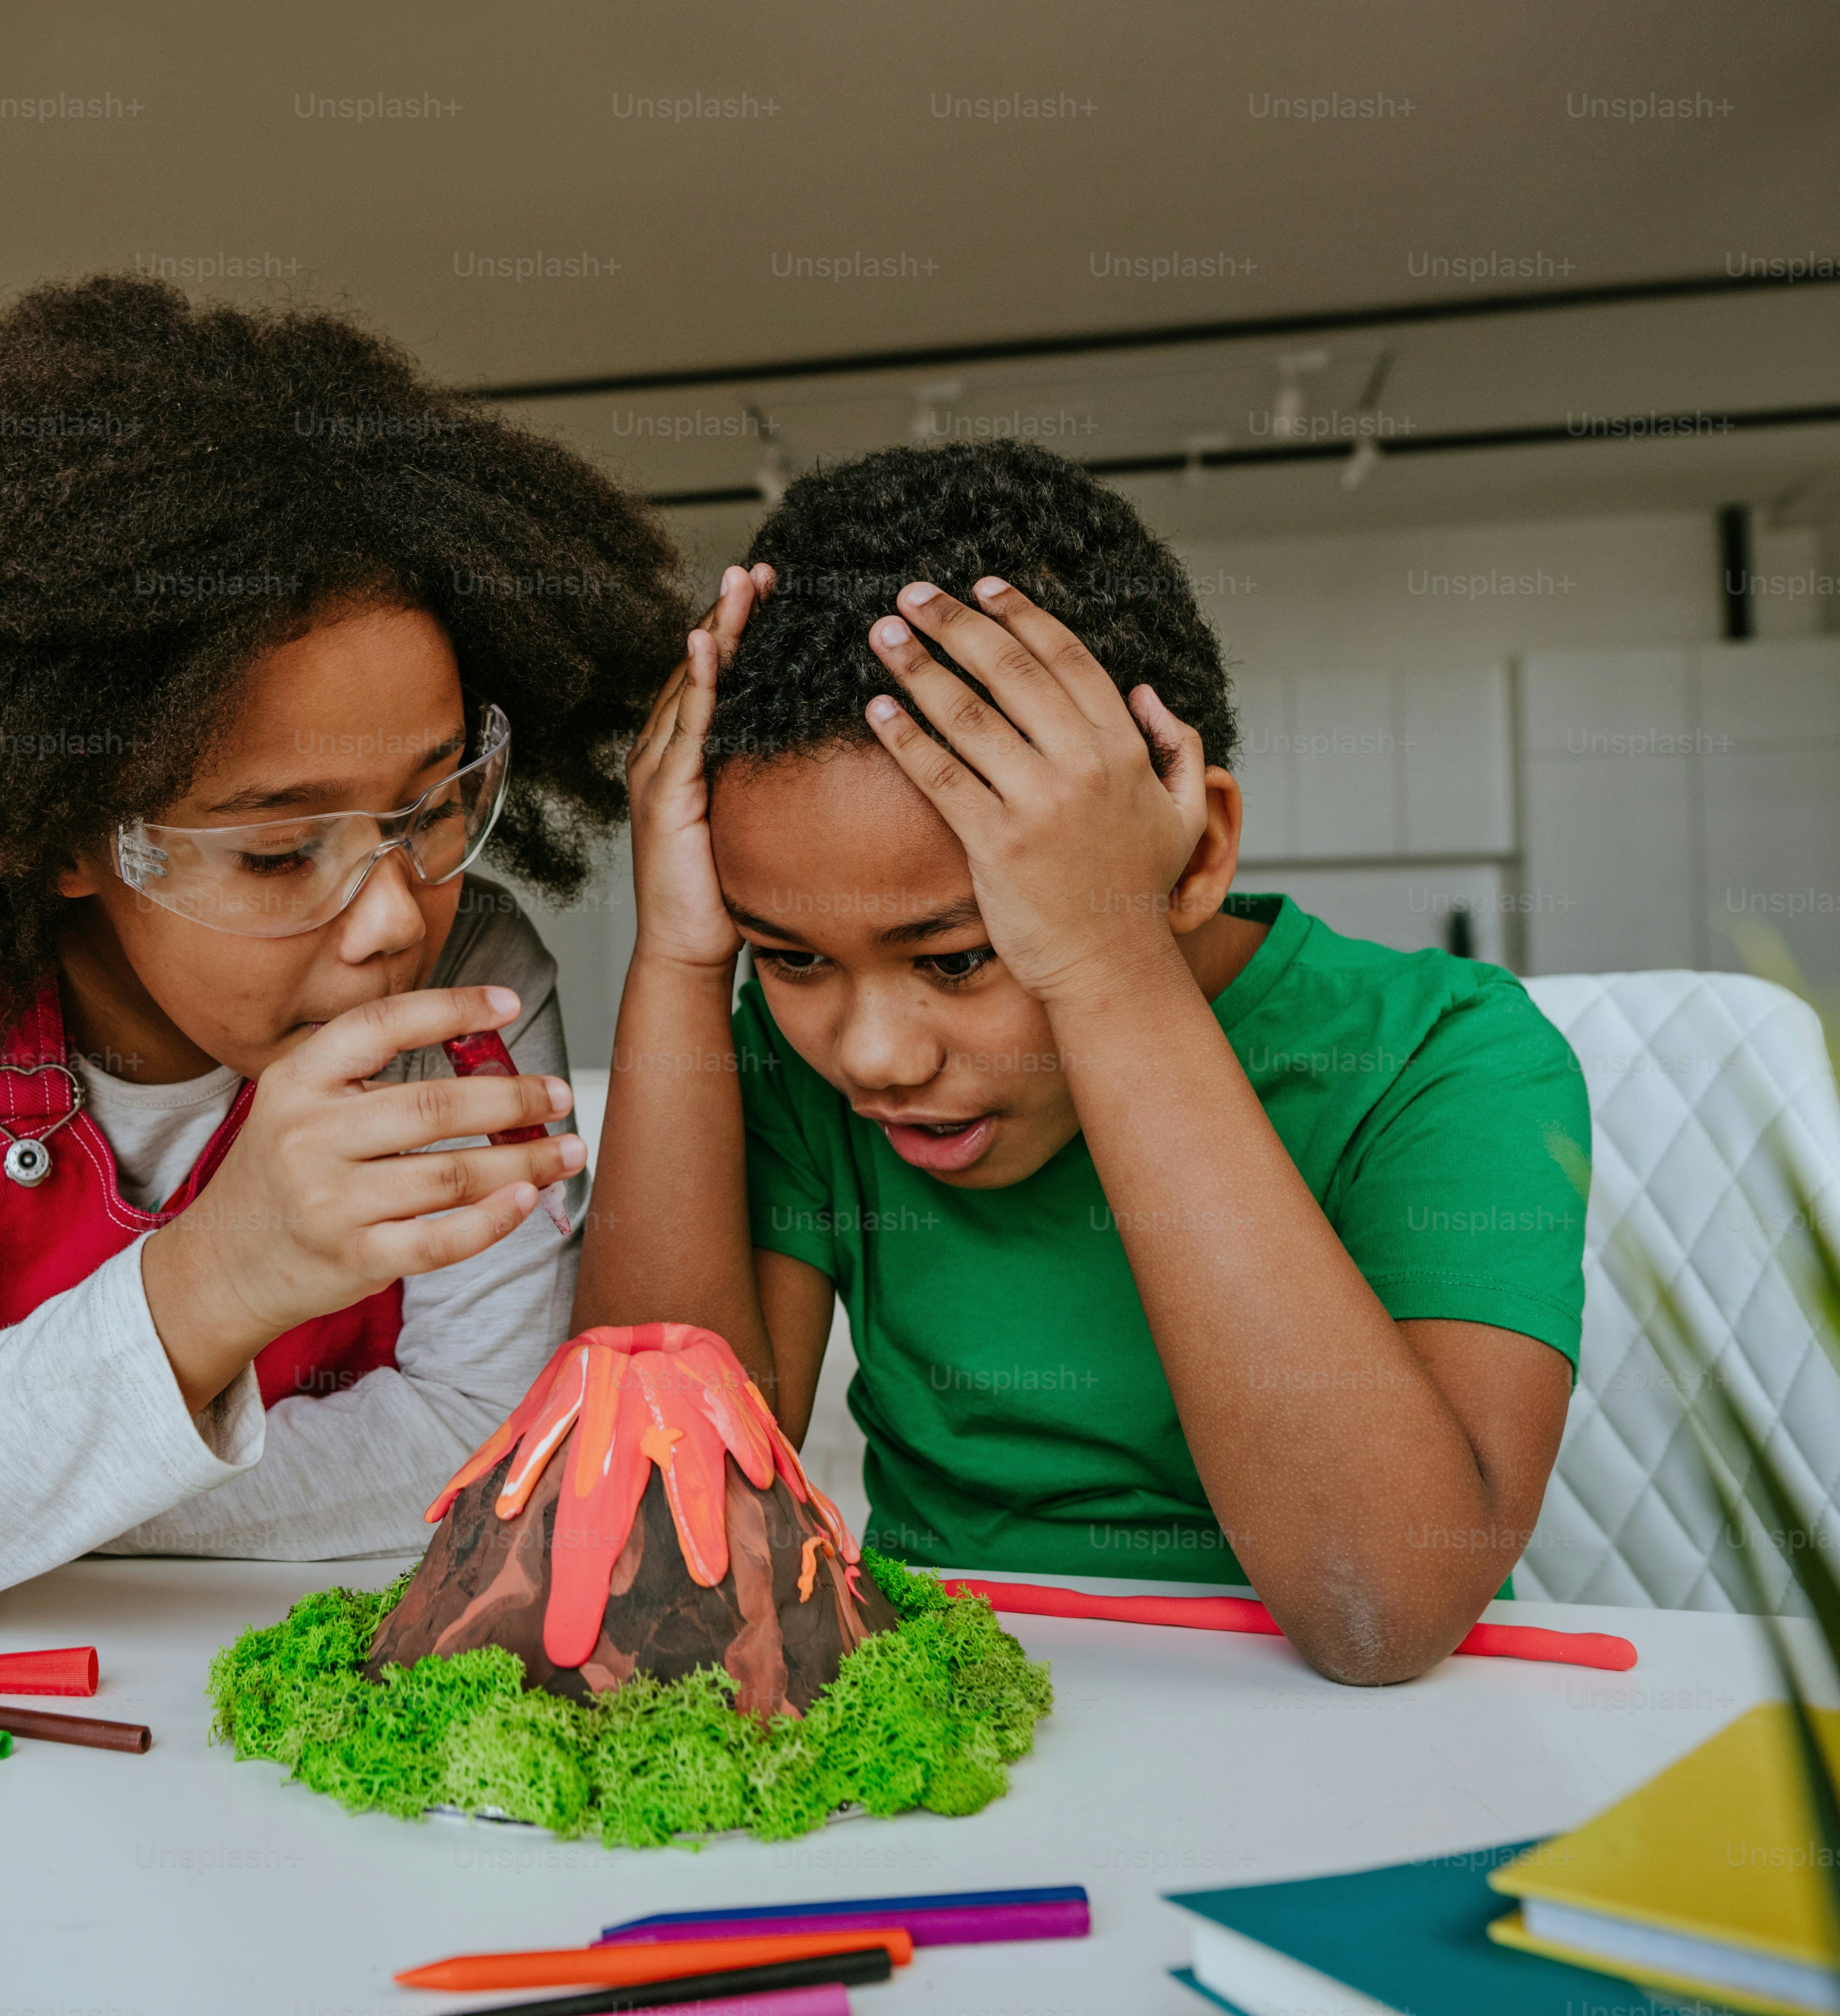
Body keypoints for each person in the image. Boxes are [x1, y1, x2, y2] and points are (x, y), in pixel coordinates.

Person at [0, 275, 682, 1625]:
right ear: (54, 830)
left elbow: (484, 1447)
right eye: (279, 853)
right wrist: (226, 1270)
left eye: (436, 798)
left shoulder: (477, 987)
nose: (398, 914)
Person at [578, 439, 1589, 1685]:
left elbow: (1381, 1608)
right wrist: (678, 962)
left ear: (1194, 849)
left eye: (958, 959)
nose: (874, 1055)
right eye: (788, 957)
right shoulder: (789, 1072)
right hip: (961, 1730)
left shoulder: (1444, 1056)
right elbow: (653, 1564)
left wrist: (1108, 961)